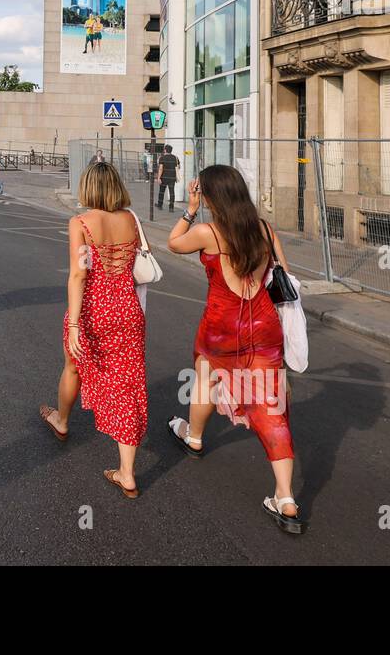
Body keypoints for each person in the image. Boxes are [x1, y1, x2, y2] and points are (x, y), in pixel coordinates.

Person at [165, 165, 303, 534]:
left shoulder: (206, 232)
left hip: (221, 328)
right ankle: (286, 497)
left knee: (206, 380)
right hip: (264, 329)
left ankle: (193, 437)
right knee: (271, 410)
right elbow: (284, 280)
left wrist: (190, 208)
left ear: (210, 196)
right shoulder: (265, 230)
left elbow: (172, 242)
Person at [40, 162, 147, 497]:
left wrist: (73, 322)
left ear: (88, 187)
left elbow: (79, 273)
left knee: (74, 366)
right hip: (128, 308)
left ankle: (62, 420)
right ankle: (127, 472)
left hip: (93, 309)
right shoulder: (131, 219)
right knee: (127, 382)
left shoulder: (81, 223)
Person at [156, 144, 180, 210]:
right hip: (172, 177)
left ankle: (160, 205)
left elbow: (161, 168)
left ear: (165, 150)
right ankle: (171, 207)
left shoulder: (162, 157)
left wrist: (158, 178)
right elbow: (178, 167)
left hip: (164, 178)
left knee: (161, 191)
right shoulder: (175, 158)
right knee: (172, 192)